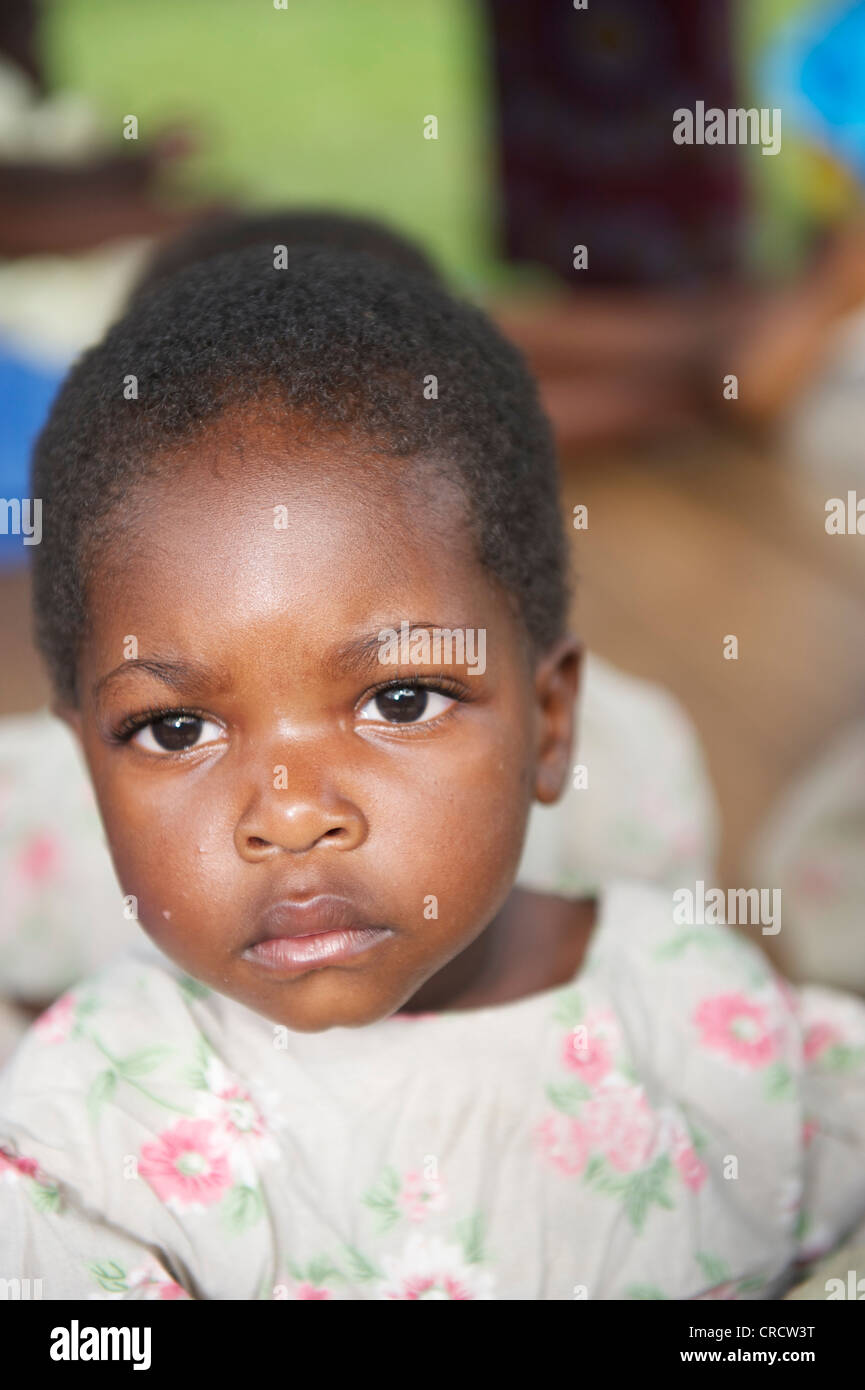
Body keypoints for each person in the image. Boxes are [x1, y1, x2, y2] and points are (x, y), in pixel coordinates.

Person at [0, 242, 863, 1300]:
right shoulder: (89, 1127)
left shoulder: (713, 1019)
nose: (290, 813)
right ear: (85, 758)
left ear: (549, 727)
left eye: (400, 701)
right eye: (176, 729)